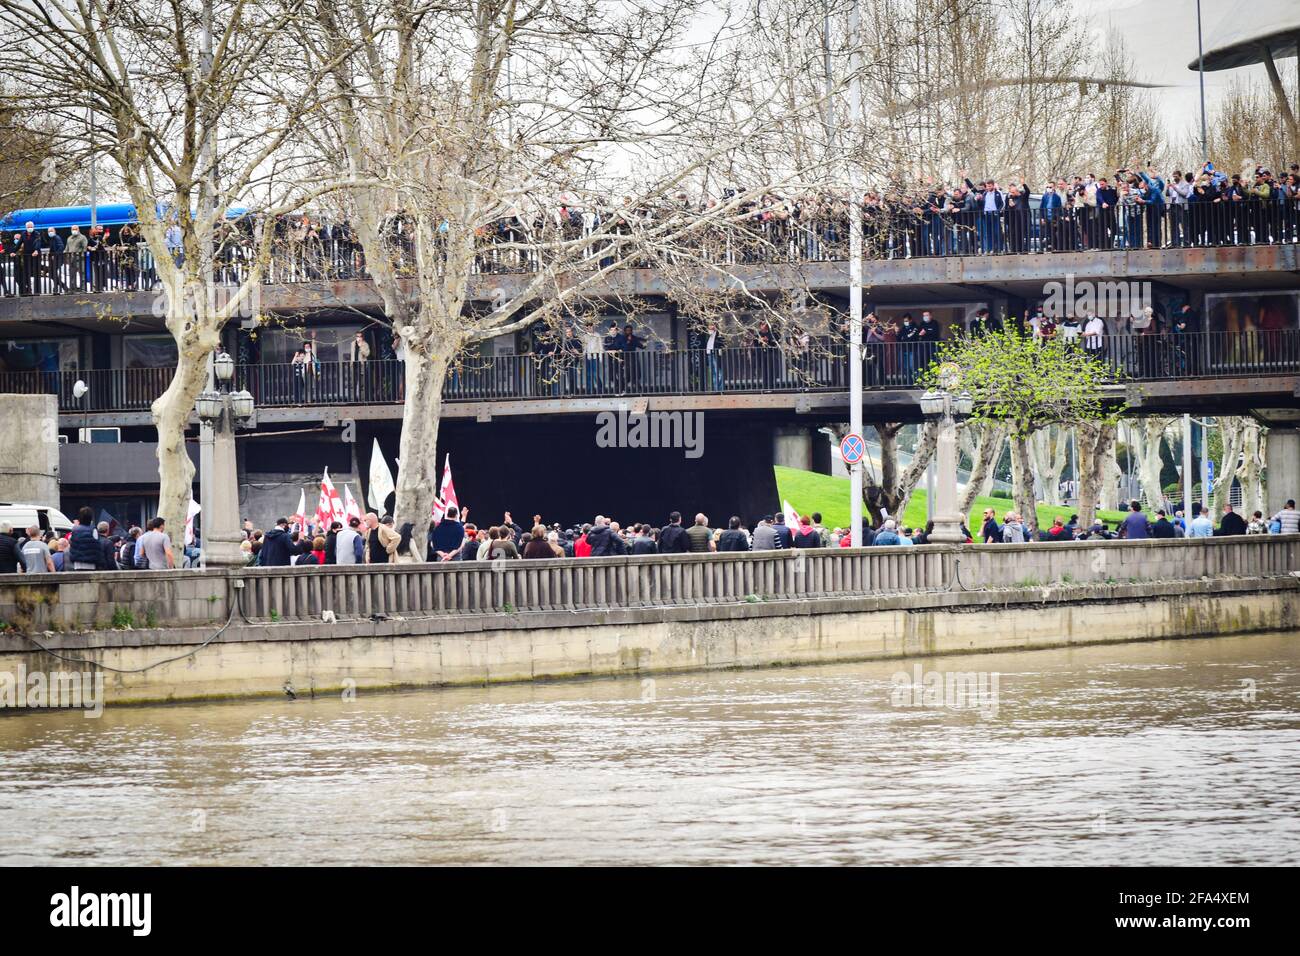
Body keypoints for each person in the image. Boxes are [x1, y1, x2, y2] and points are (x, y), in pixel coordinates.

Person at [67, 507, 102, 571]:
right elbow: (97, 548)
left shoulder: (74, 530)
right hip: (91, 564)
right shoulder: (93, 530)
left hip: (77, 564)